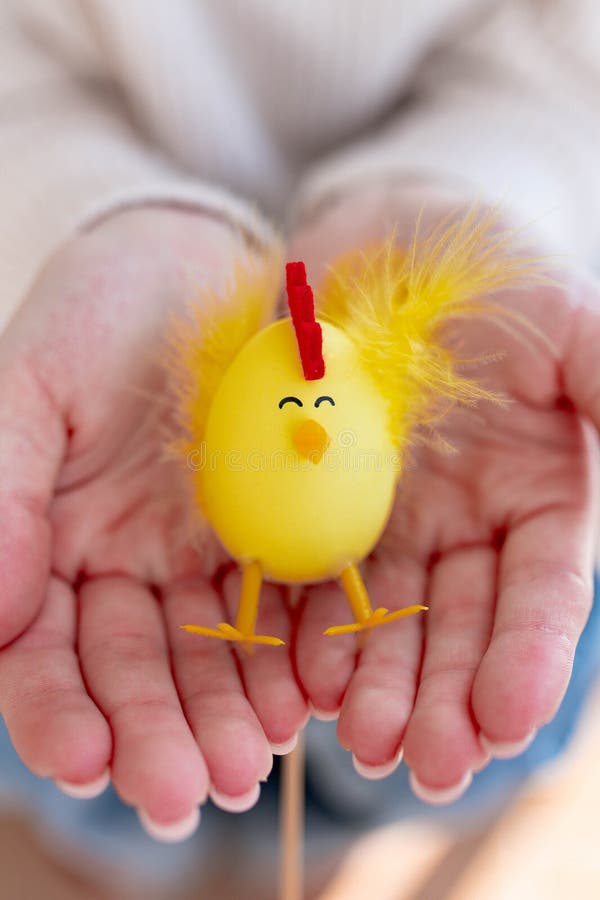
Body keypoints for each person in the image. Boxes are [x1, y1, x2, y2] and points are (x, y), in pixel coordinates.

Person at [0, 0, 599, 889]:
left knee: (438, 737)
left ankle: (325, 860)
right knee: (96, 771)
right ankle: (114, 863)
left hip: (476, 476)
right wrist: (67, 227)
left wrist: (468, 203)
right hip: (95, 489)